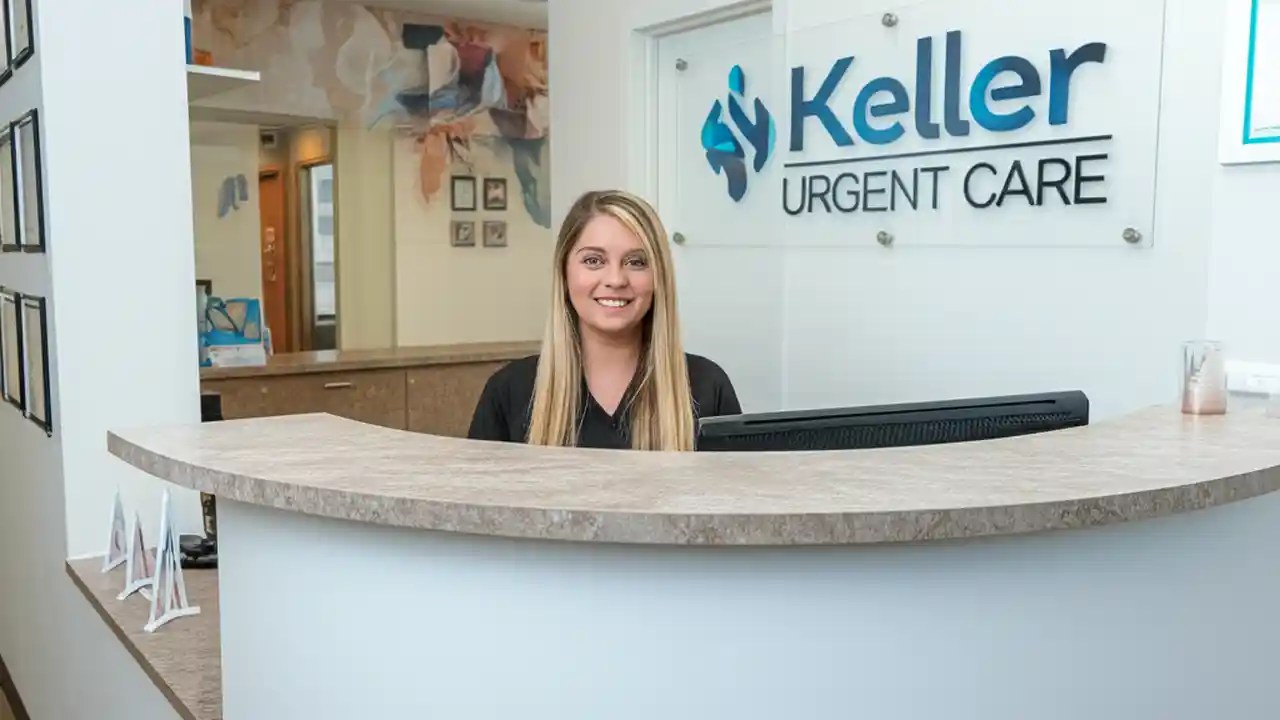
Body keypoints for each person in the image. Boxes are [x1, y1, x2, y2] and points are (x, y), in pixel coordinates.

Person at [467, 189, 741, 450]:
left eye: (636, 262)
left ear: (659, 277)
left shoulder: (706, 386)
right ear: (564, 272)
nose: (615, 280)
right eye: (594, 261)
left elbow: (735, 496)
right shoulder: (510, 392)